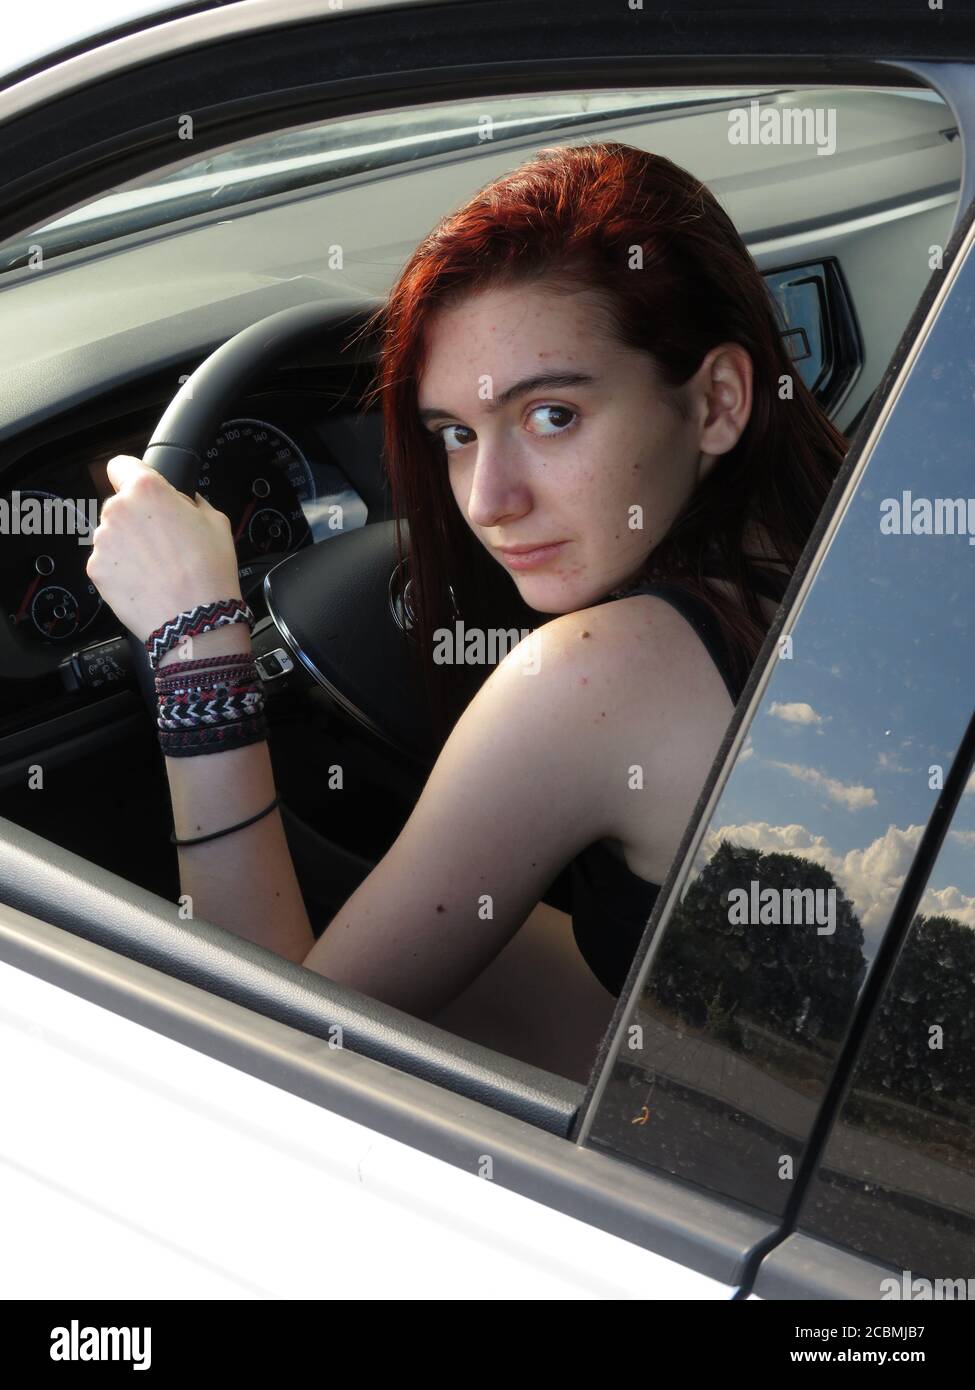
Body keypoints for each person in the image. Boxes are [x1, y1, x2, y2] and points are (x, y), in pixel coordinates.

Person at [86, 142, 847, 1080]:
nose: (486, 501)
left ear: (718, 401)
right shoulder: (850, 538)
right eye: (454, 433)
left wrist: (194, 645)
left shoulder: (598, 675)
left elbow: (270, 1050)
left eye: (551, 416)